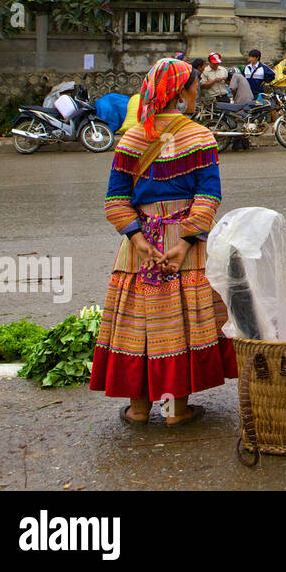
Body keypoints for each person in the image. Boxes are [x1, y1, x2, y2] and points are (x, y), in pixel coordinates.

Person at [89, 58, 235, 425]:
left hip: (139, 246)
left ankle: (138, 410)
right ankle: (176, 410)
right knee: (179, 324)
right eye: (194, 87)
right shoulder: (199, 136)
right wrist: (185, 242)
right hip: (181, 241)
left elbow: (115, 200)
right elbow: (208, 195)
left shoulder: (133, 137)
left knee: (138, 325)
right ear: (181, 92)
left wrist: (137, 240)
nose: (197, 93)